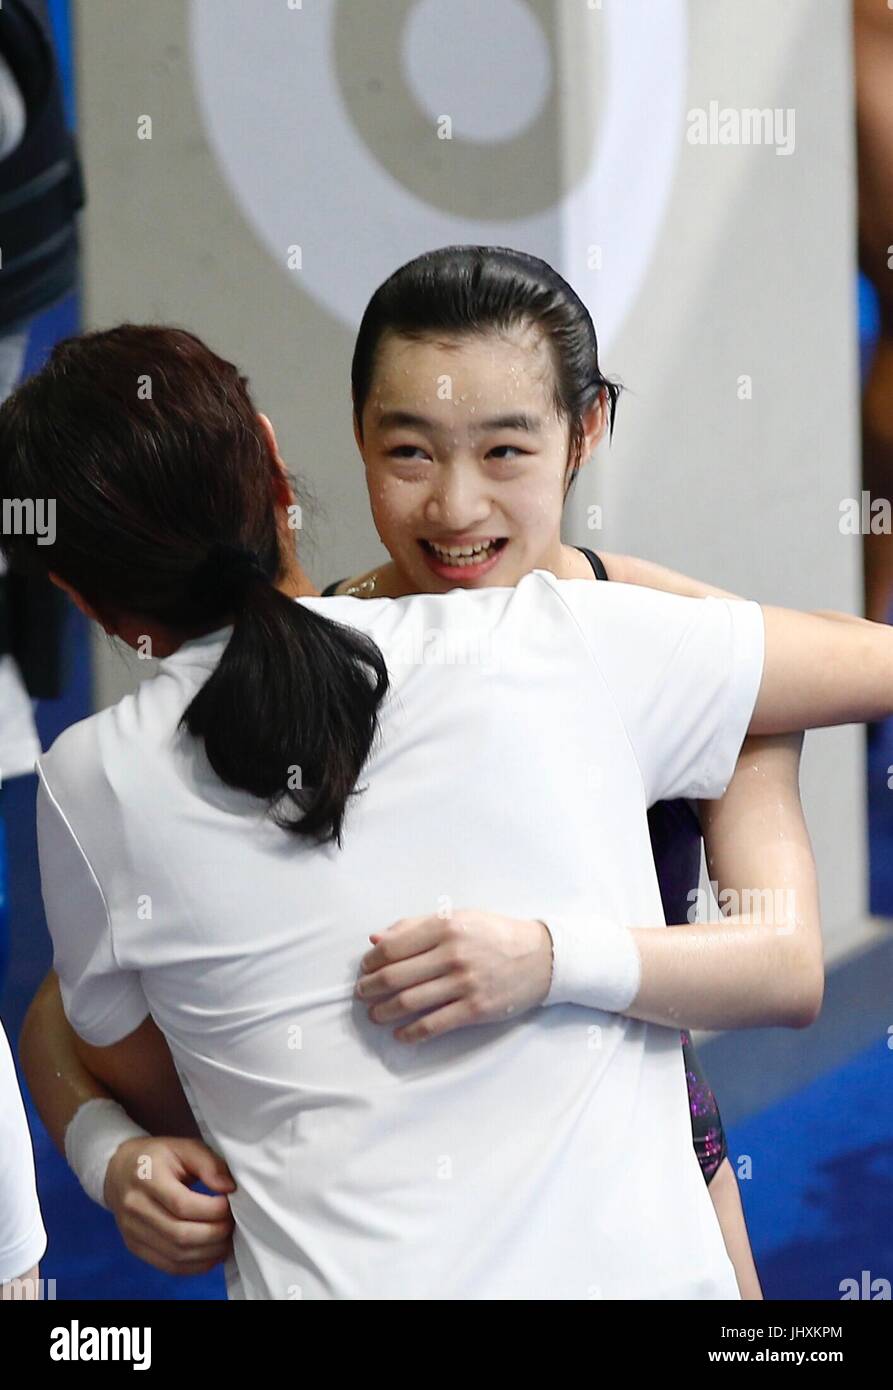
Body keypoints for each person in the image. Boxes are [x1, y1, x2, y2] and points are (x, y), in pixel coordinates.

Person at [7, 323, 889, 1300]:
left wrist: (106, 1150)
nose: (459, 500)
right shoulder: (565, 633)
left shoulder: (87, 783)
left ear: (75, 593)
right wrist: (637, 601)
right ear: (272, 457)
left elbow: (152, 1082)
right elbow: (863, 664)